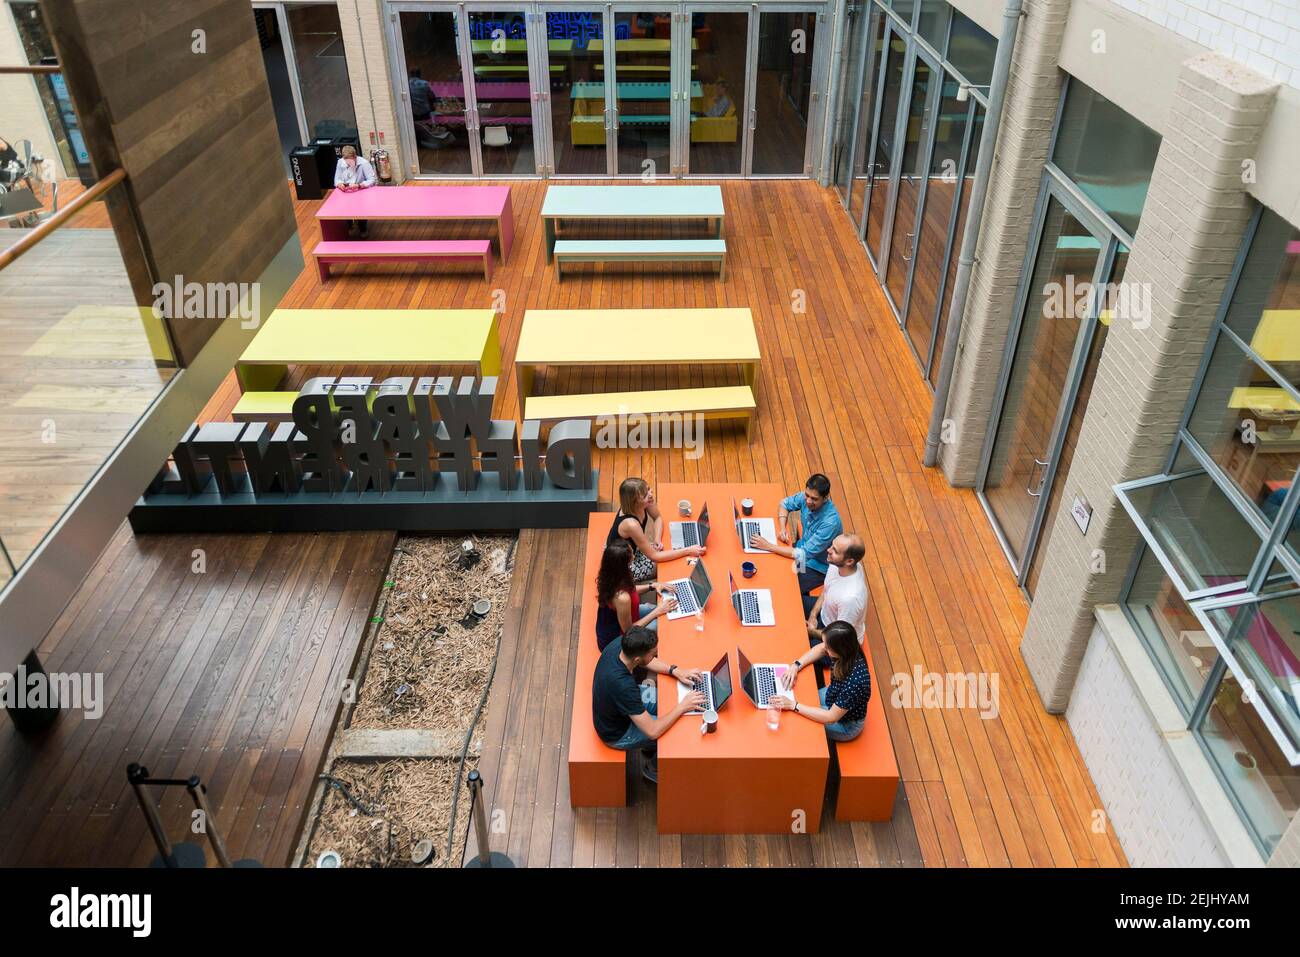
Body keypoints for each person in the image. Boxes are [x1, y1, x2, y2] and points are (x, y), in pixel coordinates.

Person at [592, 626, 704, 783]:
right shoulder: (624, 686)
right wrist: (682, 707)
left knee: (668, 700)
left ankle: (649, 747)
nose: (656, 656)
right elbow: (653, 730)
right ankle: (652, 768)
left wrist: (675, 671)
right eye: (653, 655)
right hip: (617, 733)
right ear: (637, 659)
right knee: (676, 732)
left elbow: (647, 662)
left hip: (622, 703)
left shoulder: (621, 645)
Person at [773, 621, 870, 742]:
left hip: (845, 724)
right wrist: (796, 665)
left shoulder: (856, 683)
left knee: (796, 718)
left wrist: (794, 705)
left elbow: (831, 717)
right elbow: (820, 649)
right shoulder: (849, 649)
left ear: (840, 650)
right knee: (798, 698)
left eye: (828, 647)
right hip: (833, 694)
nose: (824, 647)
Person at [748, 473, 842, 596]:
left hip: (817, 566)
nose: (808, 501)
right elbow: (785, 504)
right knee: (767, 565)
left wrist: (768, 546)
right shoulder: (806, 498)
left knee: (783, 589)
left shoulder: (830, 523)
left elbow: (803, 554)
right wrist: (782, 528)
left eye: (814, 499)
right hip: (800, 548)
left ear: (825, 498)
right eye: (807, 495)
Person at [608, 477, 705, 583]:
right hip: (623, 563)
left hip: (631, 549)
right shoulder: (631, 524)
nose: (650, 494)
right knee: (668, 564)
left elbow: (658, 518)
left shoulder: (643, 503)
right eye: (645, 495)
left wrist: (657, 540)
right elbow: (655, 556)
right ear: (635, 502)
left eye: (648, 489)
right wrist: (688, 550)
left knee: (670, 551)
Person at [594, 540, 678, 650]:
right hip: (618, 639)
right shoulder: (622, 598)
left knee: (661, 609)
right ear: (623, 564)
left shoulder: (611, 576)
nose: (634, 556)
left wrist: (652, 585)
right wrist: (657, 612)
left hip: (626, 616)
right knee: (663, 625)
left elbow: (631, 590)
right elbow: (628, 631)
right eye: (631, 555)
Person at [804, 533, 868, 642]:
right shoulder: (838, 564)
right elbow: (827, 590)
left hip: (837, 638)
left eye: (835, 551)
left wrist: (810, 631)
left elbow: (840, 636)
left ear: (849, 561)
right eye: (832, 546)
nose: (828, 550)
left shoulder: (850, 598)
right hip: (825, 612)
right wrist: (813, 614)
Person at [333, 145, 376, 238]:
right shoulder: (340, 163)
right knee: (344, 208)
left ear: (355, 157)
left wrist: (359, 185)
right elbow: (337, 179)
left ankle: (363, 229)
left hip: (360, 189)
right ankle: (349, 226)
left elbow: (372, 179)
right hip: (346, 190)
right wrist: (340, 184)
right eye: (346, 161)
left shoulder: (364, 163)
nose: (348, 164)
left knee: (361, 209)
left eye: (350, 161)